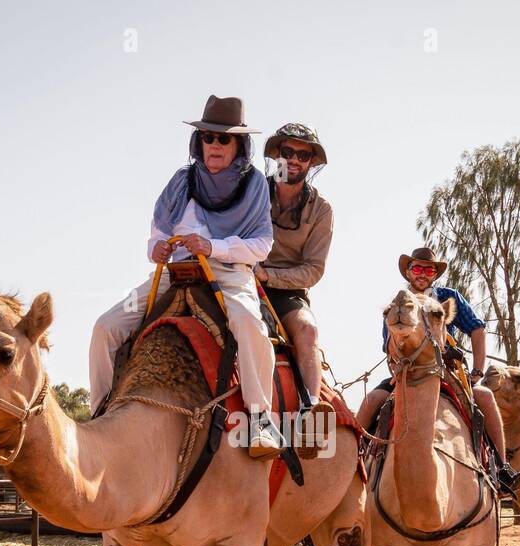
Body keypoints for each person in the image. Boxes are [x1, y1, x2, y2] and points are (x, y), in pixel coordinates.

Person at [88, 95, 282, 458]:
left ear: (239, 143)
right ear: (199, 141)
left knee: (251, 327)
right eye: (208, 137)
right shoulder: (181, 180)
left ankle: (261, 421)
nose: (214, 144)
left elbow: (262, 245)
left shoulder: (255, 183)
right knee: (105, 327)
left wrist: (213, 247)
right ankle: (101, 415)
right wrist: (157, 248)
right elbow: (158, 230)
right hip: (172, 274)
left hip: (228, 275)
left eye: (223, 138)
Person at [355, 246, 520, 494]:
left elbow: (477, 329)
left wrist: (477, 371)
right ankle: (352, 465)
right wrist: (396, 371)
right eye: (417, 268)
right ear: (408, 272)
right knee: (372, 401)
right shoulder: (399, 305)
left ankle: (501, 469)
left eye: (428, 269)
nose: (422, 273)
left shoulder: (448, 297)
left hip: (446, 371)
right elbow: (388, 347)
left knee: (485, 398)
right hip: (406, 372)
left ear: (434, 274)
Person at [255, 123, 335, 451]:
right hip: (238, 279)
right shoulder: (251, 191)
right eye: (287, 152)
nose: (294, 160)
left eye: (303, 154)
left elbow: (314, 270)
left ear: (312, 162)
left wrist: (268, 277)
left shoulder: (322, 210)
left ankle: (311, 414)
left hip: (287, 292)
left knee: (307, 331)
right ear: (277, 155)